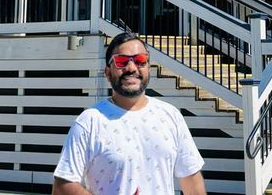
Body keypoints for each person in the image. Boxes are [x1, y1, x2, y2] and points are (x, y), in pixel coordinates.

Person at [53, 31, 206, 195]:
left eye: (140, 60)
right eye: (121, 61)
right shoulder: (89, 122)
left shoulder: (171, 116)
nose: (132, 68)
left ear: (149, 68)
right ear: (107, 72)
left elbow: (191, 180)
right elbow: (63, 186)